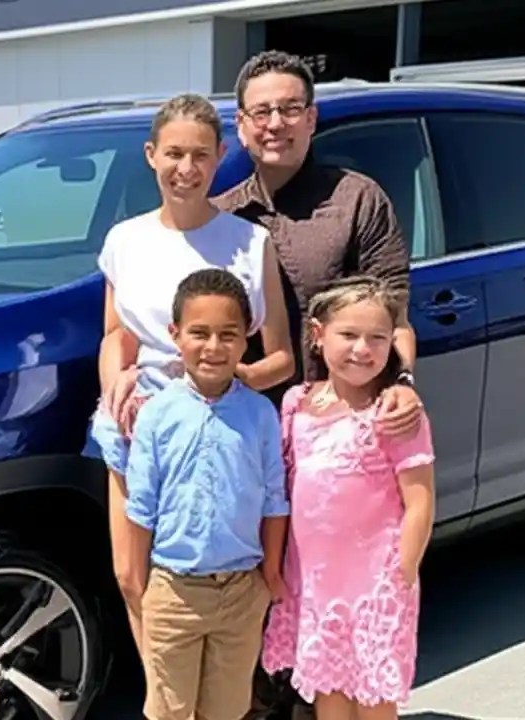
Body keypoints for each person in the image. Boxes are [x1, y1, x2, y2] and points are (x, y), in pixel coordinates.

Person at [212, 50, 427, 720]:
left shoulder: (356, 199)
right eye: (261, 111)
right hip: (254, 436)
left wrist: (403, 380)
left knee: (335, 603)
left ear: (312, 117)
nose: (275, 123)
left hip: (346, 442)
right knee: (263, 595)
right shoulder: (219, 219)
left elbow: (393, 314)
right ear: (241, 125)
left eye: (289, 108)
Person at [91, 92, 296, 654]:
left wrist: (228, 382)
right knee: (132, 576)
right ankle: (163, 695)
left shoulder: (250, 242)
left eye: (201, 155)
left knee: (211, 576)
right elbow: (116, 334)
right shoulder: (125, 241)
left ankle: (217, 693)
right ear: (151, 155)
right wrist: (115, 384)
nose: (187, 168)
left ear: (220, 156)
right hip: (138, 418)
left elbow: (281, 356)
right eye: (174, 154)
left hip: (220, 423)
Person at [260, 276, 436, 720]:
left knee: (374, 696)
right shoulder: (297, 404)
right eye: (349, 334)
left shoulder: (395, 413)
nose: (362, 349)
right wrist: (276, 565)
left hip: (376, 584)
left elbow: (420, 501)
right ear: (318, 335)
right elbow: (284, 490)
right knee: (330, 692)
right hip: (315, 585)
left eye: (377, 338)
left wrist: (402, 573)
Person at [121, 267, 289, 720]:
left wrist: (271, 572)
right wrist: (138, 581)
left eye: (227, 334)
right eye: (200, 333)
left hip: (241, 591)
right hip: (174, 589)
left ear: (245, 339)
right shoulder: (157, 414)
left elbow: (274, 498)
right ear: (175, 335)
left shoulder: (260, 414)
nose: (214, 347)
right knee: (169, 710)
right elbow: (141, 504)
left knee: (228, 710)